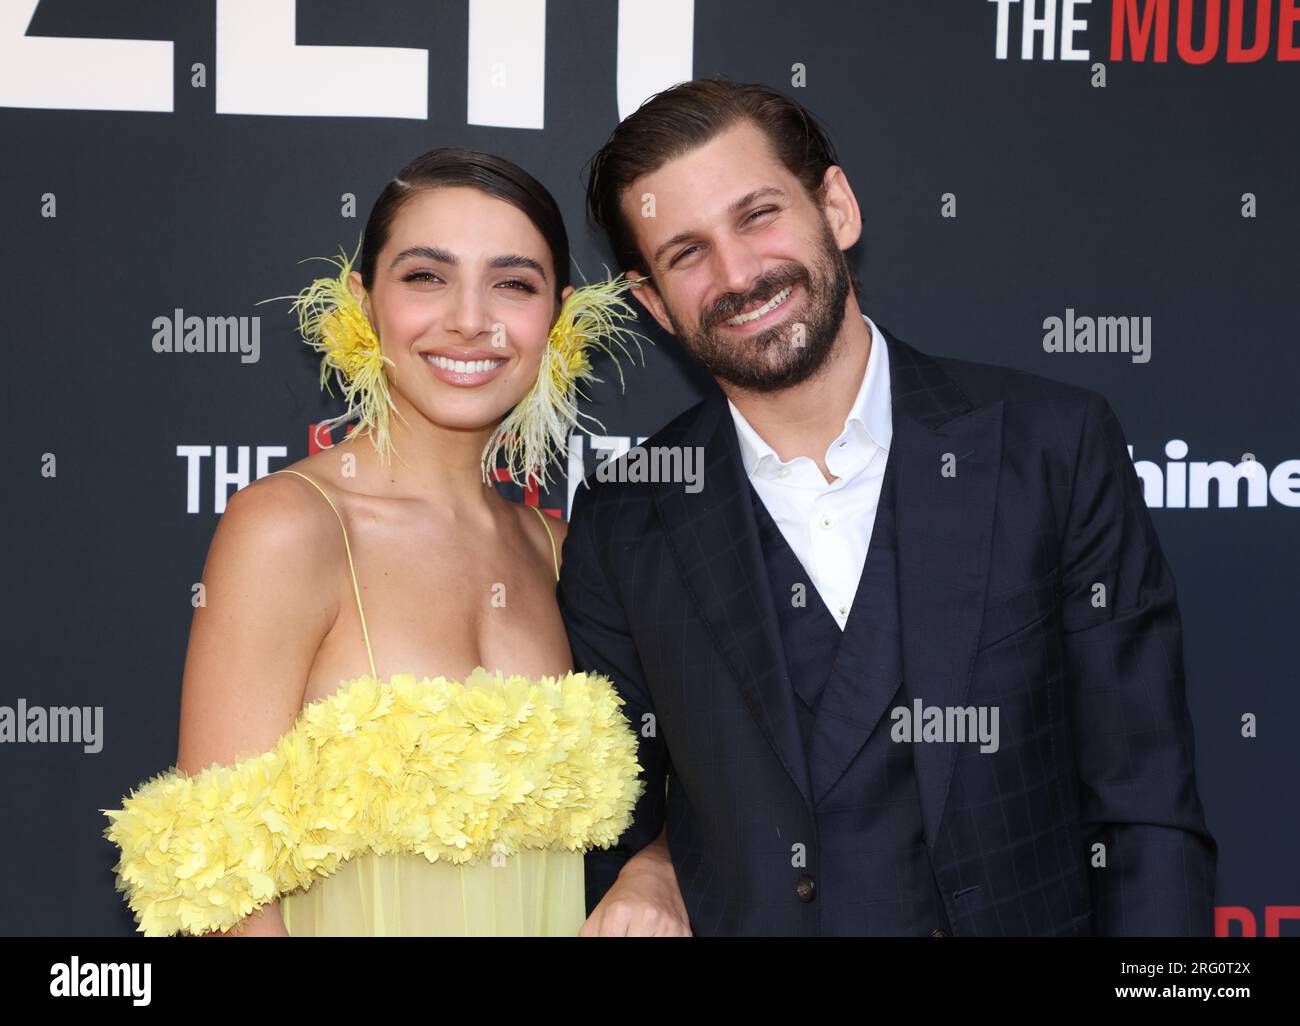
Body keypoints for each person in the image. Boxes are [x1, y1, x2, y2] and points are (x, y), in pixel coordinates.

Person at [570, 79, 1217, 936]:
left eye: (758, 214)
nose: (738, 273)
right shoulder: (625, 518)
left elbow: (1146, 809)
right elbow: (611, 813)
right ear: (653, 303)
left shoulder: (1051, 447)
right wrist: (653, 864)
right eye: (685, 253)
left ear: (836, 207)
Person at [102, 148, 682, 937]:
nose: (470, 319)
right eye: (426, 277)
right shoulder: (289, 528)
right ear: (363, 301)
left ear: (558, 318)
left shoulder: (562, 551)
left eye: (513, 283)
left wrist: (659, 868)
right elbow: (220, 884)